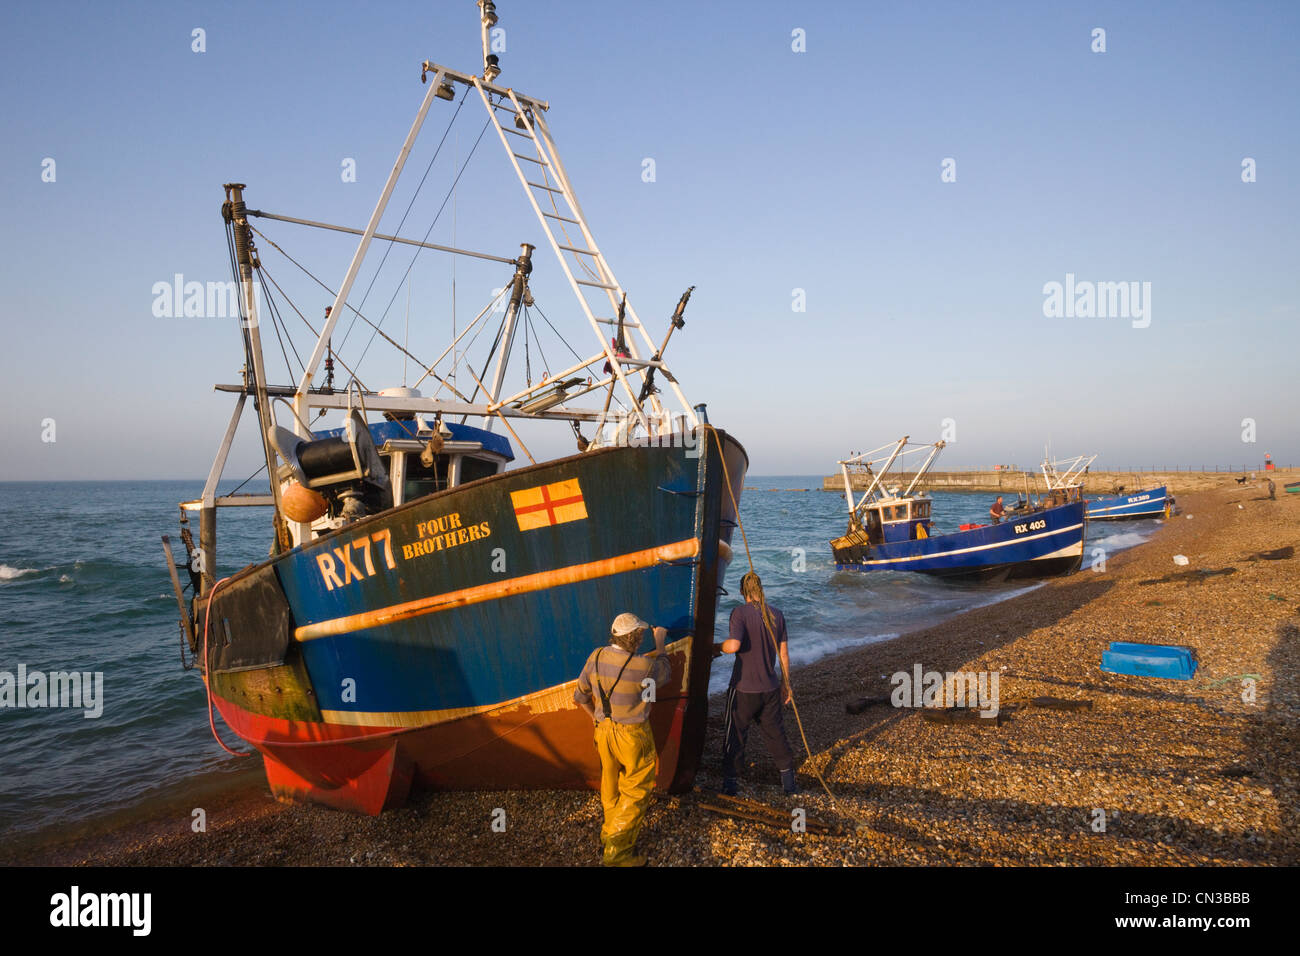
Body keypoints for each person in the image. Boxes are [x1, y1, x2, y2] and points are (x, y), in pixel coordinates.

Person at [574, 612, 670, 867]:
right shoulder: (643, 666)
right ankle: (617, 853)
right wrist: (660, 643)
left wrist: (596, 720)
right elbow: (664, 675)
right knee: (636, 790)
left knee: (610, 780)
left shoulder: (595, 657)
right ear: (636, 638)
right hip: (632, 735)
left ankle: (609, 832)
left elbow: (580, 697)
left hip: (602, 731)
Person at [715, 571, 798, 796]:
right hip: (770, 688)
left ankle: (731, 784)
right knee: (775, 734)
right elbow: (784, 654)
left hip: (743, 689)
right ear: (761, 589)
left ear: (742, 591)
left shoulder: (739, 613)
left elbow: (733, 646)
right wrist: (786, 684)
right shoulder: (777, 614)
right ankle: (789, 783)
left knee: (736, 734)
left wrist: (715, 647)